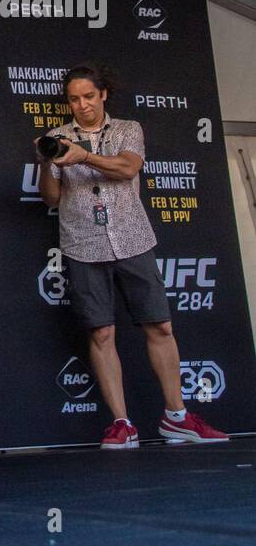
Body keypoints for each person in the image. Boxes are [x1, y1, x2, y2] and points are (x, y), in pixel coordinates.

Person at [35, 62, 227, 450]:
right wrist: (47, 163)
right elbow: (51, 199)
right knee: (101, 332)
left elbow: (127, 168)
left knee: (160, 327)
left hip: (133, 239)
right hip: (82, 243)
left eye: (89, 96)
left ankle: (177, 417)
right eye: (74, 99)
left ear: (103, 94)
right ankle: (122, 424)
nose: (82, 105)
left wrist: (83, 158)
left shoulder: (128, 129)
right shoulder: (57, 137)